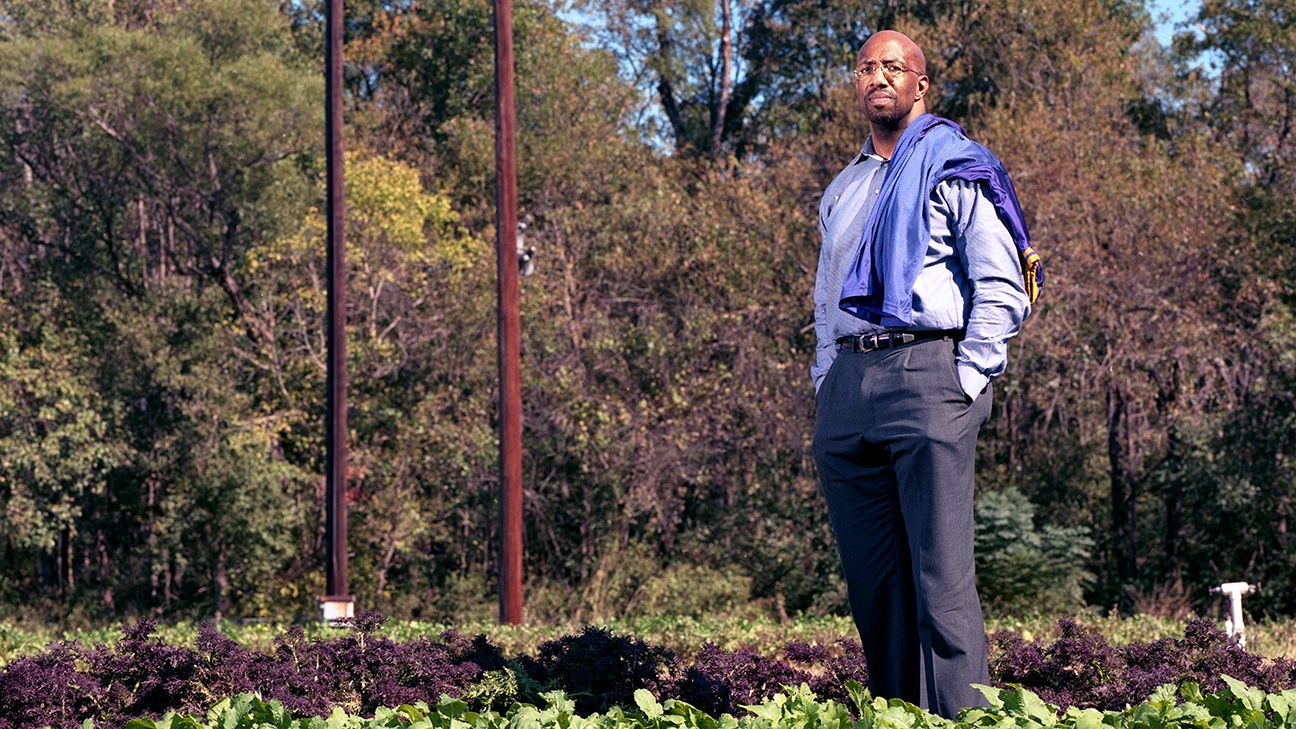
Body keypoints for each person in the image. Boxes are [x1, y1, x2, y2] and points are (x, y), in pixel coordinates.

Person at [810, 30, 1035, 719]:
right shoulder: (842, 188)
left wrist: (965, 379)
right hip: (850, 388)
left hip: (928, 374)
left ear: (920, 85)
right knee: (875, 587)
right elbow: (825, 297)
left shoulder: (959, 166)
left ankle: (964, 718)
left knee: (940, 583)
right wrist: (826, 381)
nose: (878, 77)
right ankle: (897, 714)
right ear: (857, 86)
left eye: (893, 67)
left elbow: (1002, 286)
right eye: (866, 68)